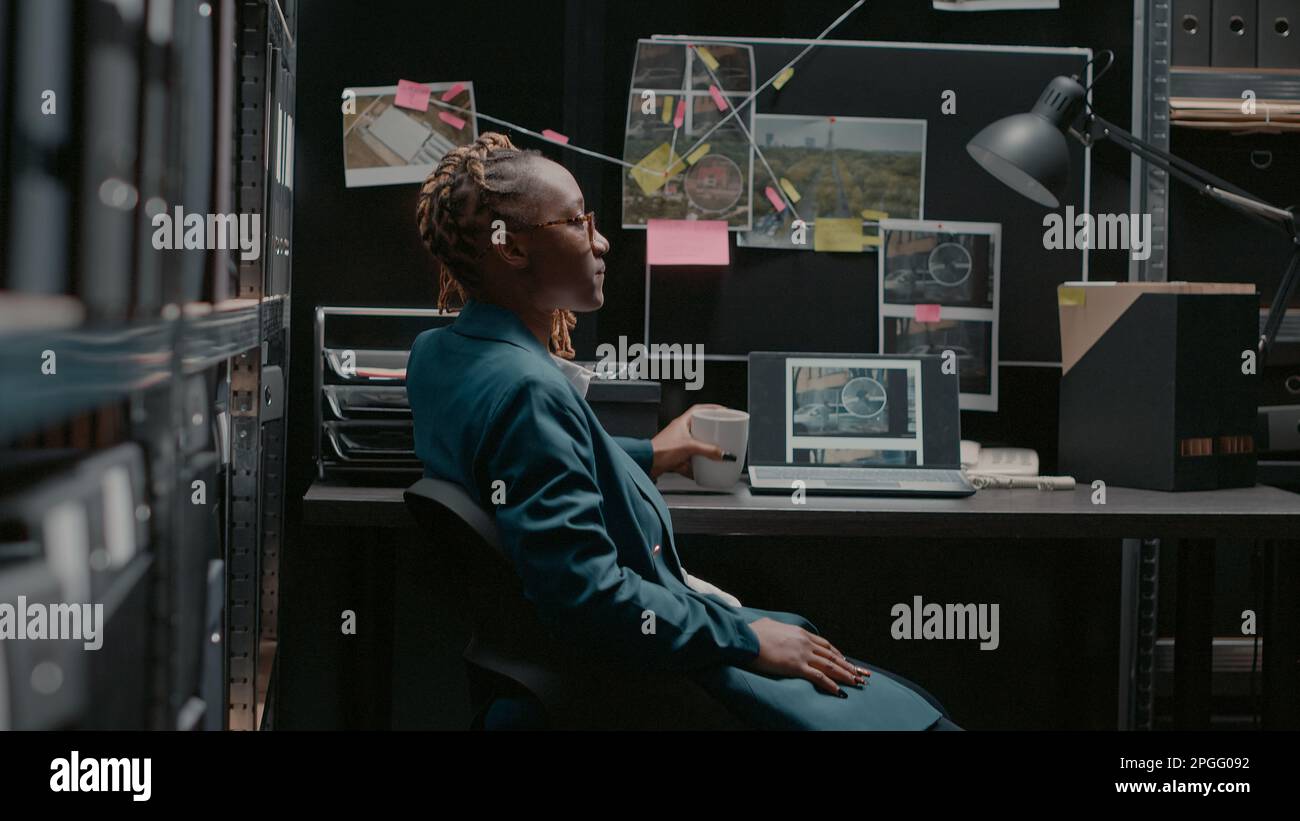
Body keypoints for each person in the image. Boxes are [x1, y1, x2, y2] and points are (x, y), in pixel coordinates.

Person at [407, 131, 960, 730]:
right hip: (640, 671)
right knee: (917, 713)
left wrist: (652, 454)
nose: (601, 241)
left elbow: (523, 466)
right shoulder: (529, 390)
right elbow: (589, 597)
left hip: (569, 663)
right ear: (511, 249)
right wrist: (747, 641)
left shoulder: (440, 354)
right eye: (575, 223)